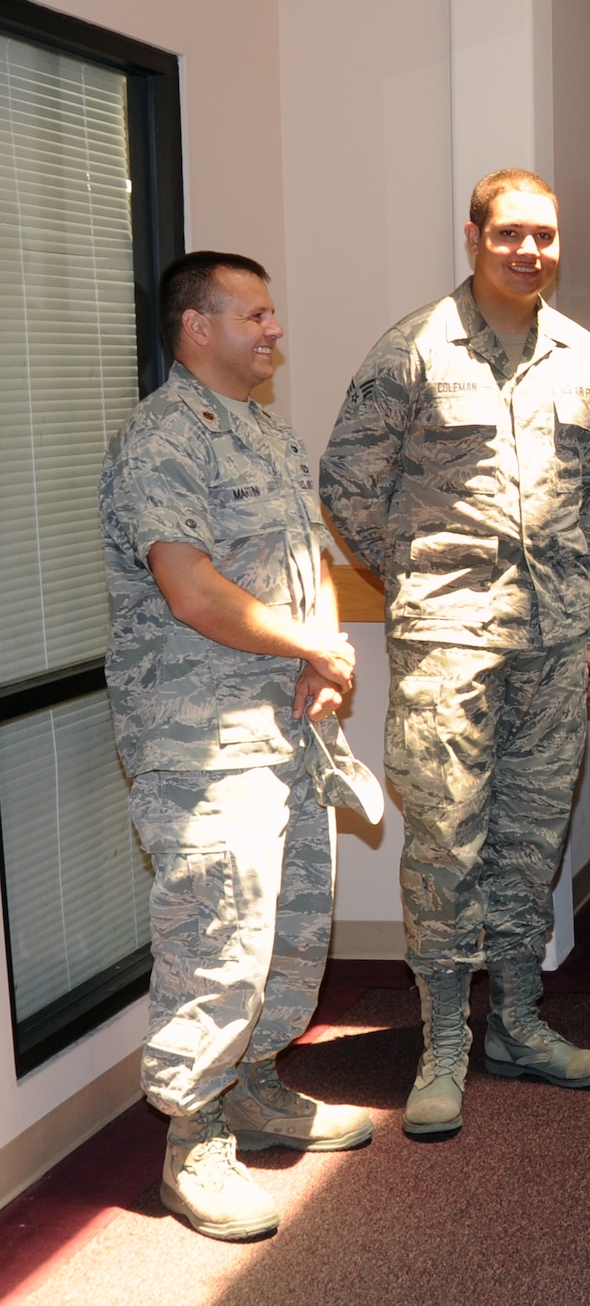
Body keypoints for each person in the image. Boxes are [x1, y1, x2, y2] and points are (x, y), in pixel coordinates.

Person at [320, 168, 590, 1139]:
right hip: (449, 644)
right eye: (510, 235)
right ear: (473, 236)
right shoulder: (413, 349)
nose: (529, 251)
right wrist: (415, 580)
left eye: (544, 235)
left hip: (553, 647)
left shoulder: (583, 357)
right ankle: (444, 1041)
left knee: (530, 844)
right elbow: (345, 480)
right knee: (446, 843)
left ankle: (521, 1024)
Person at [101, 251, 373, 1240]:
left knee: (287, 928)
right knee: (217, 942)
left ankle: (255, 1087)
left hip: (286, 730)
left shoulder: (263, 431)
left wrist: (316, 657)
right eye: (254, 314)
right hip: (202, 743)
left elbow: (296, 570)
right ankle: (193, 1142)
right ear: (196, 325)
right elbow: (192, 589)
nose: (274, 330)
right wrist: (312, 642)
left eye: (272, 314)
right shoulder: (162, 437)